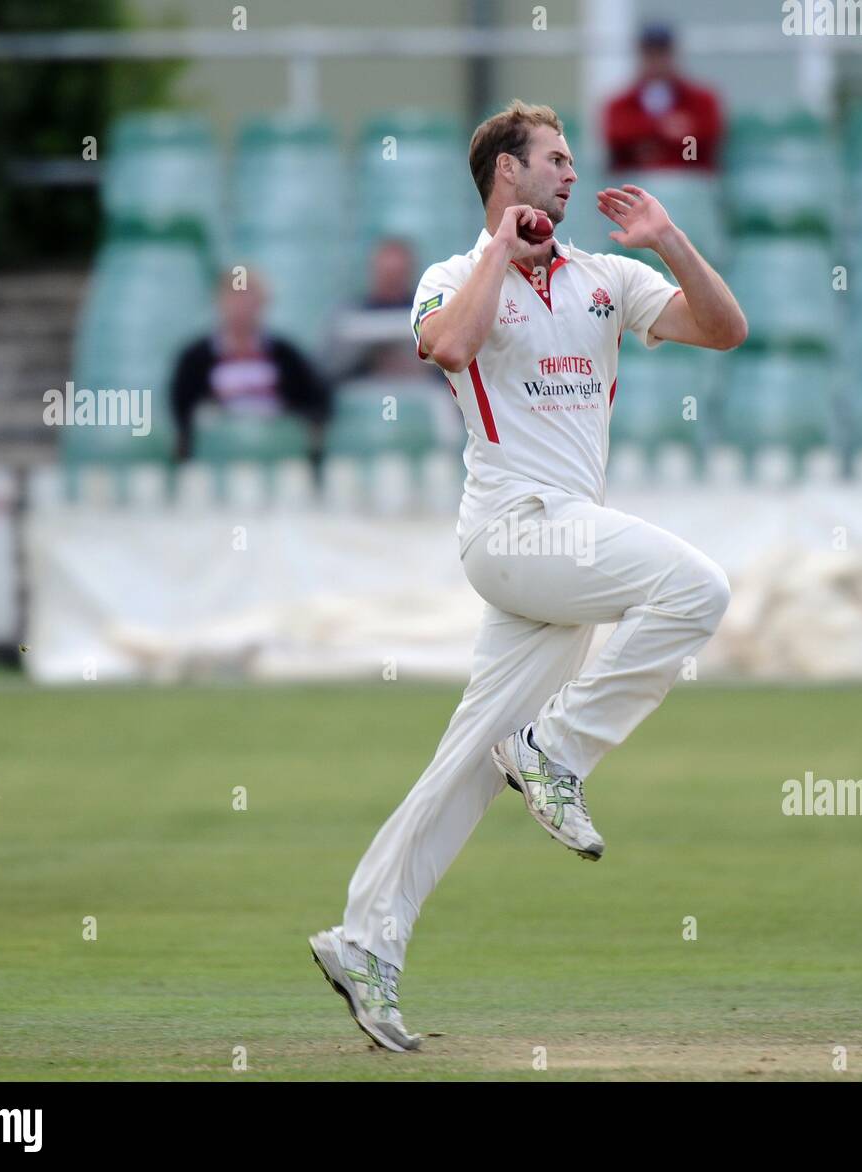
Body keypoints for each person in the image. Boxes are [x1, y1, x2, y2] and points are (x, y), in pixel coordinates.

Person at [308, 100, 746, 1052]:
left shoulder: (605, 277)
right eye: (553, 158)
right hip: (513, 532)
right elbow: (451, 347)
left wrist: (671, 241)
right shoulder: (454, 277)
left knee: (468, 763)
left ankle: (363, 941)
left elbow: (725, 330)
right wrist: (500, 253)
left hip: (562, 550)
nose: (572, 172)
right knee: (697, 589)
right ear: (506, 172)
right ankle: (559, 753)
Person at [169, 271, 332, 461]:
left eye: (247, 297)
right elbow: (183, 411)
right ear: (219, 301)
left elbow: (315, 401)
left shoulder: (286, 354)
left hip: (277, 451)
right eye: (234, 296)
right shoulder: (195, 358)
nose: (240, 306)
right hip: (220, 454)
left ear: (263, 302)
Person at [603, 23, 724, 173]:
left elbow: (706, 137)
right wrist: (661, 127)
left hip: (689, 181)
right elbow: (617, 136)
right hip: (636, 182)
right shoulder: (620, 103)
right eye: (650, 53)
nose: (656, 60)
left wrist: (654, 136)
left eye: (661, 53)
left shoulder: (701, 99)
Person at [325, 237, 435, 381]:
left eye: (398, 273)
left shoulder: (428, 313)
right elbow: (330, 368)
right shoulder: (349, 314)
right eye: (388, 273)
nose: (393, 280)